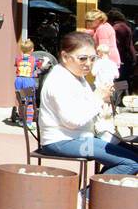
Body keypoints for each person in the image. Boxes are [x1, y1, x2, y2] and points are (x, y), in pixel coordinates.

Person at [38, 31, 138, 175]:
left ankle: (101, 189)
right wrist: (98, 97)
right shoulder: (59, 81)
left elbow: (85, 108)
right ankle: (85, 196)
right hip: (62, 141)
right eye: (82, 58)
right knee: (131, 163)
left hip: (81, 136)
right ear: (65, 57)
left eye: (92, 59)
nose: (88, 64)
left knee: (132, 156)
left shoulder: (76, 76)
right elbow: (73, 121)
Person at [107, 8, 135, 84]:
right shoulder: (124, 25)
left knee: (121, 82)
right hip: (127, 57)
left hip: (123, 58)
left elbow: (118, 45)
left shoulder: (118, 28)